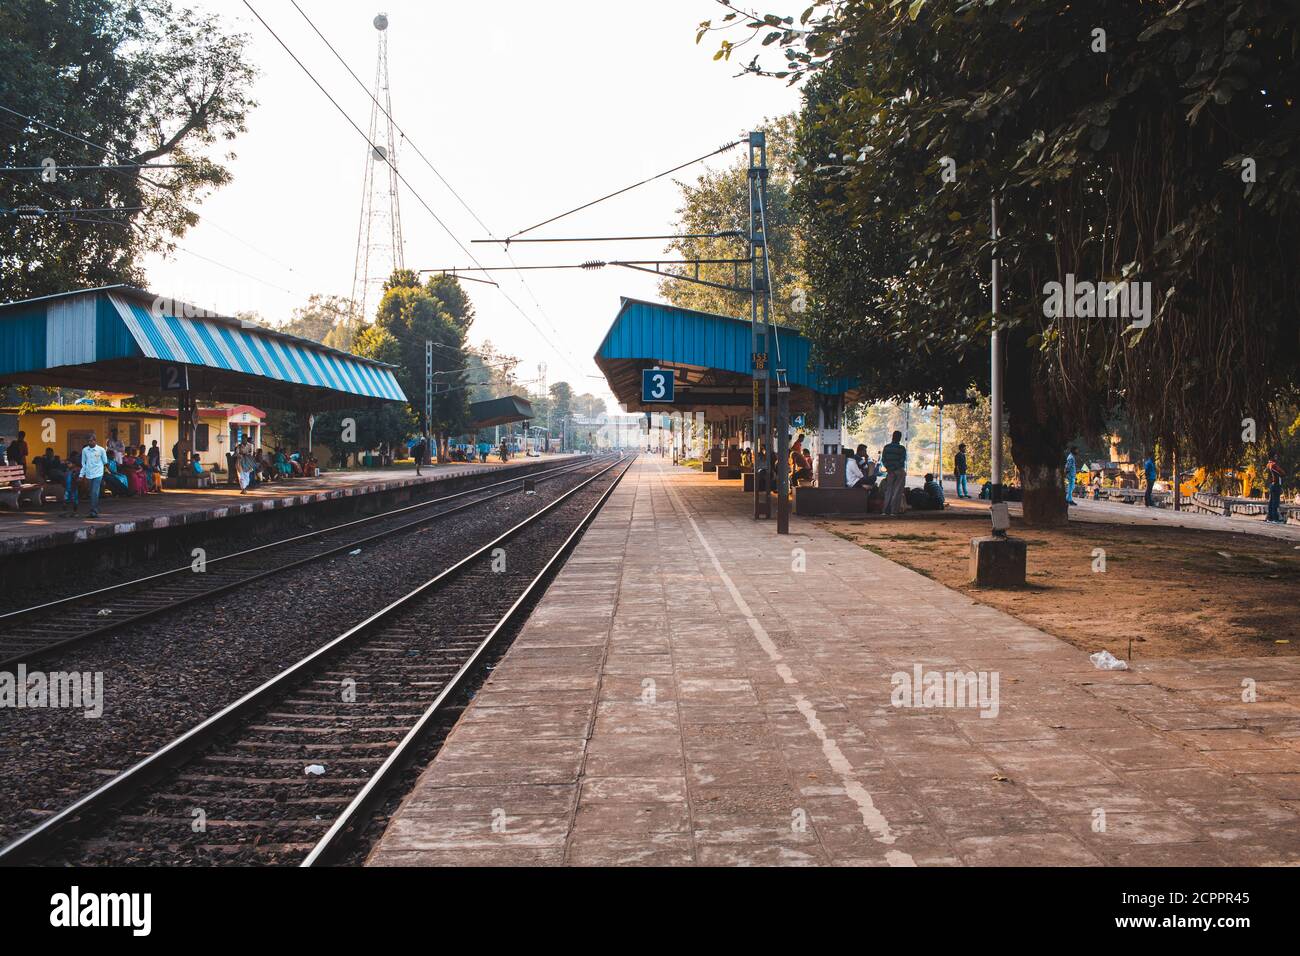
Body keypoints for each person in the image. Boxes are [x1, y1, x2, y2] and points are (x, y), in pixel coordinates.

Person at [80, 434, 109, 518]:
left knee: (94, 492)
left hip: (98, 473)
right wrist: (81, 474)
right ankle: (94, 508)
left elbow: (105, 462)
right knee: (91, 492)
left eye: (91, 441)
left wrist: (106, 471)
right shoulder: (85, 450)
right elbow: (83, 463)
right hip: (89, 473)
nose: (89, 442)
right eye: (88, 441)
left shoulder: (101, 450)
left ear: (95, 441)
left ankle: (93, 510)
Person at [881, 430, 908, 515]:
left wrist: (889, 468)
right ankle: (893, 511)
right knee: (897, 491)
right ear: (900, 438)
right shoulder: (902, 448)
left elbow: (883, 460)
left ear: (892, 437)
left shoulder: (886, 447)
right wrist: (895, 467)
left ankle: (885, 511)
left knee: (889, 490)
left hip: (890, 472)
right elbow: (902, 460)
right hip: (899, 471)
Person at [1266, 453, 1285, 524]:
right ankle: (1275, 519)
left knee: (1271, 502)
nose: (1277, 457)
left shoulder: (1268, 465)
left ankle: (1270, 518)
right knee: (1275, 502)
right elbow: (1282, 473)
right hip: (1275, 485)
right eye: (1275, 456)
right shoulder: (1273, 465)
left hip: (1271, 485)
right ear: (1272, 457)